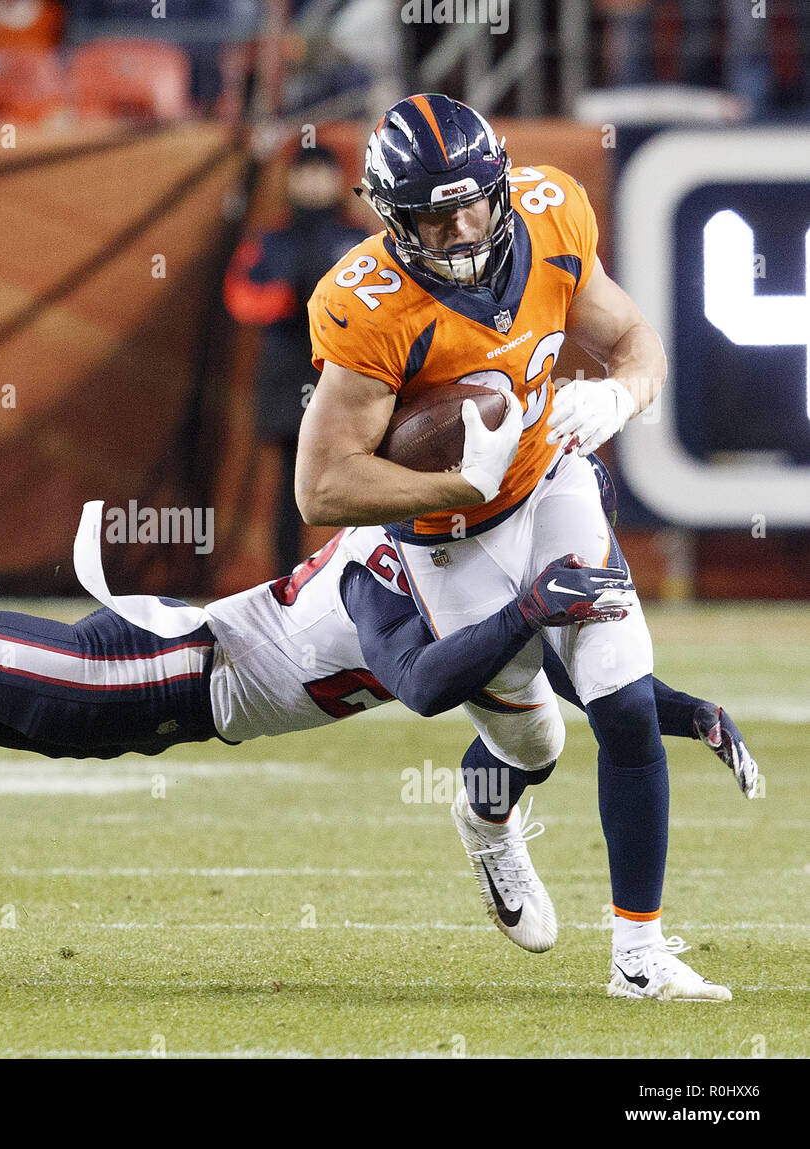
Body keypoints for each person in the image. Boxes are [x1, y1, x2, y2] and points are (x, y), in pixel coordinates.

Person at [0, 369, 757, 962]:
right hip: (177, 679)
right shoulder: (387, 566)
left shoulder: (444, 549)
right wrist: (540, 607)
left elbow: (529, 666)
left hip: (180, 665)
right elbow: (434, 680)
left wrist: (676, 707)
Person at [298, 92, 741, 1000]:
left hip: (549, 479)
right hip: (444, 536)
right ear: (391, 216)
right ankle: (488, 815)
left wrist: (623, 394)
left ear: (498, 180)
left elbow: (631, 337)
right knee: (535, 736)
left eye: (471, 199)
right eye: (432, 211)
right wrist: (451, 485)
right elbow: (324, 486)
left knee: (617, 688)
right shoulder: (366, 303)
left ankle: (638, 956)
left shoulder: (550, 209)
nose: (460, 227)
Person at [224, 144, 367, 575]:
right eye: (304, 173)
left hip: (346, 375)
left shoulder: (358, 239)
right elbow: (241, 297)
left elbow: (386, 303)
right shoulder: (270, 239)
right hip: (288, 373)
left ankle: (360, 573)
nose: (313, 182)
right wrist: (289, 299)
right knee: (293, 484)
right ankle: (286, 580)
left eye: (322, 172)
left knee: (361, 476)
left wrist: (334, 313)